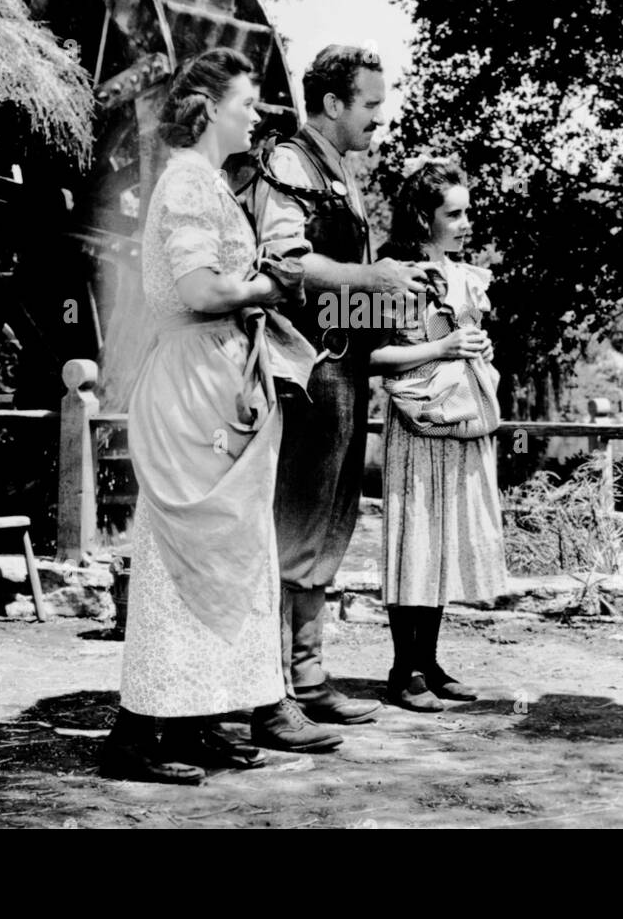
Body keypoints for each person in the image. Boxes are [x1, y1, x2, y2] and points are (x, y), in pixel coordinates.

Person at [99, 47, 314, 783]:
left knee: (225, 550)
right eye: (246, 104)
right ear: (208, 109)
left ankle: (196, 720)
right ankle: (137, 735)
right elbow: (195, 289)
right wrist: (268, 287)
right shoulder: (189, 182)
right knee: (186, 550)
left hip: (219, 371)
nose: (256, 116)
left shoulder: (207, 182)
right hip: (192, 375)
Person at [239, 45, 437, 751]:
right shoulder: (290, 162)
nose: (381, 120)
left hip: (344, 366)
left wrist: (393, 293)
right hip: (307, 369)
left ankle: (309, 675)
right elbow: (285, 262)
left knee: (332, 520)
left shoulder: (339, 171)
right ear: (331, 104)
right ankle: (271, 691)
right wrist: (372, 281)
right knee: (296, 521)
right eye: (371, 105)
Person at [369, 158, 507, 710]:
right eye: (455, 213)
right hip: (417, 426)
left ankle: (429, 661)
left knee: (443, 544)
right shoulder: (387, 272)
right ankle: (403, 670)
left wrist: (478, 350)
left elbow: (462, 342)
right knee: (416, 544)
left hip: (461, 422)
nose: (467, 221)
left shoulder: (466, 275)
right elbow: (369, 357)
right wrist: (442, 348)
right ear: (423, 219)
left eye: (468, 210)